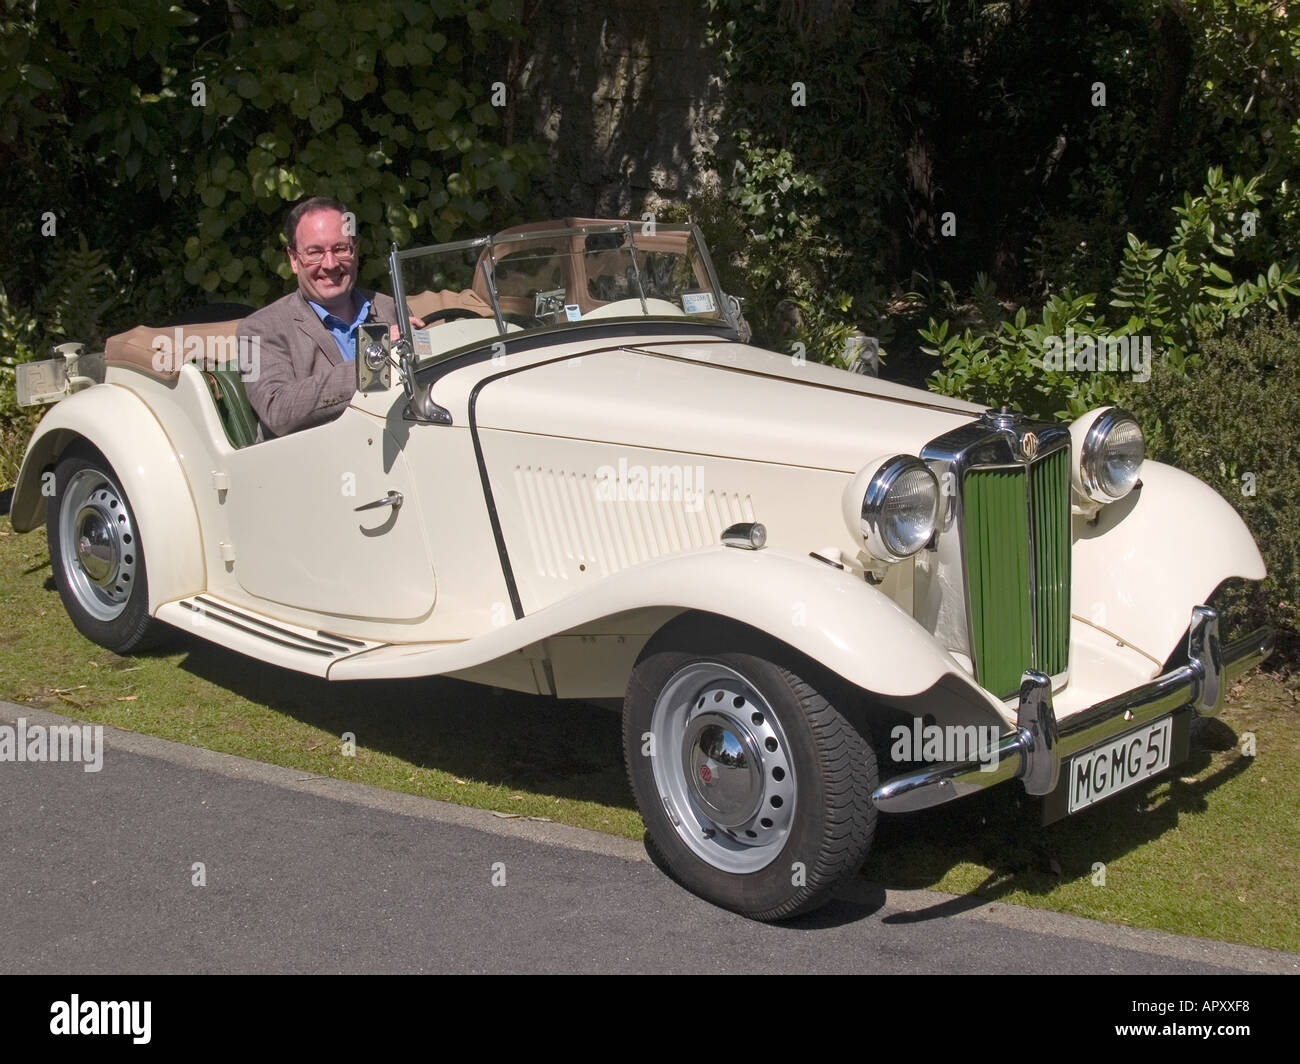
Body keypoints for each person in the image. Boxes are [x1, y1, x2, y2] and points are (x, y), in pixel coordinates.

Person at [239, 196, 399, 440]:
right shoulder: (257, 330)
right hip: (315, 467)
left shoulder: (390, 308)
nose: (330, 263)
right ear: (294, 259)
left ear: (355, 251)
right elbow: (277, 411)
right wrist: (374, 360)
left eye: (340, 248)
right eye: (314, 252)